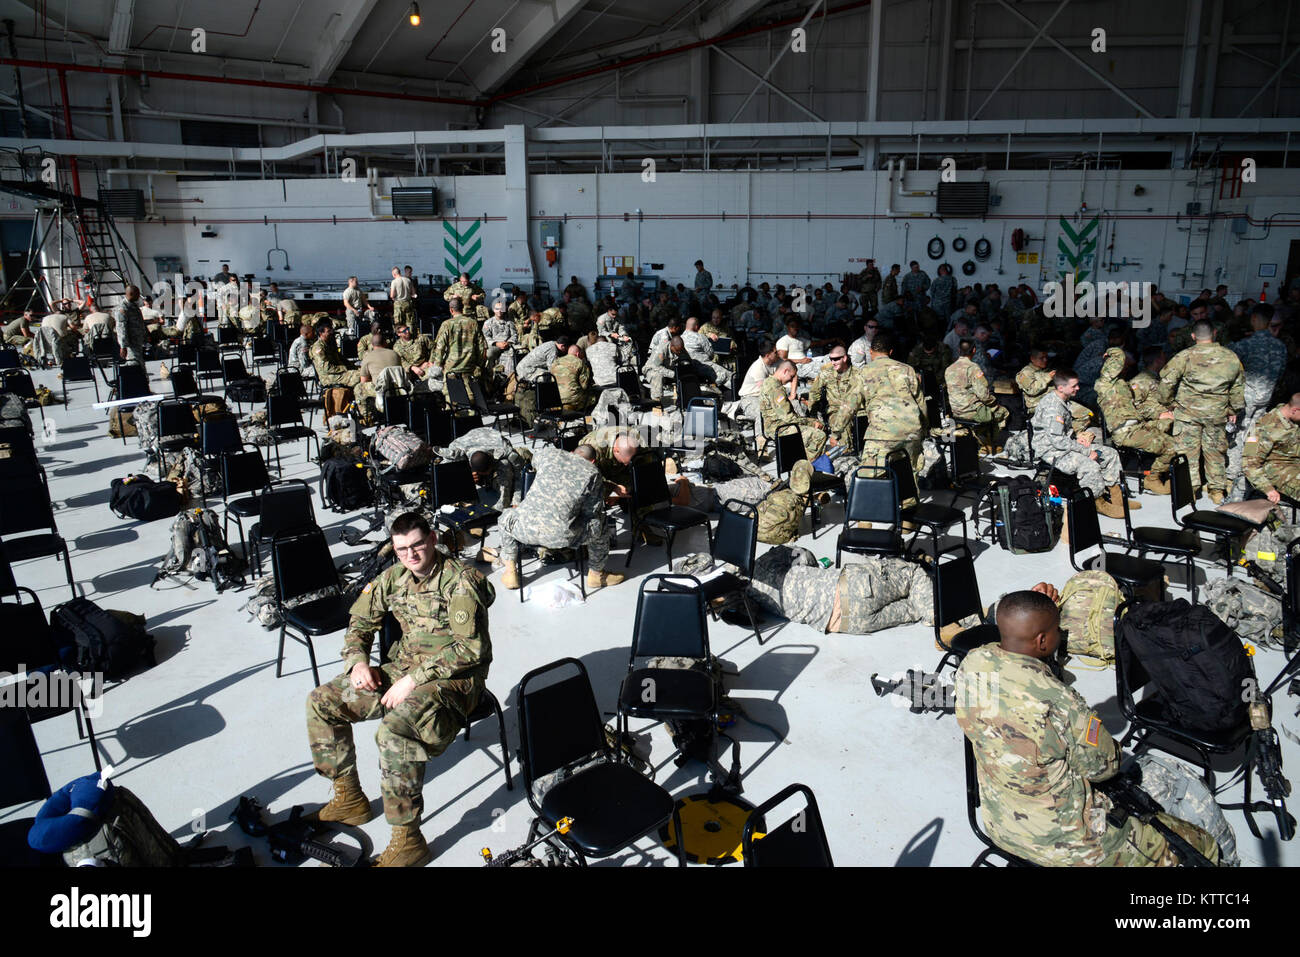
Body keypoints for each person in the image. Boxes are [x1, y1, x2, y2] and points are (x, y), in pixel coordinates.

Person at [955, 589, 1222, 867]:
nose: (1061, 634)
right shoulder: (1058, 701)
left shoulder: (972, 664)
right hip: (1069, 845)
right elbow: (1104, 767)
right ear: (1043, 640)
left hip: (999, 823)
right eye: (1057, 629)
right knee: (1201, 845)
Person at [306, 510, 495, 867]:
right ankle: (348, 798)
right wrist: (358, 661)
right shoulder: (394, 577)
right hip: (404, 669)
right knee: (322, 702)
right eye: (401, 548)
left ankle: (408, 840)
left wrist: (414, 679)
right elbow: (359, 620)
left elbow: (471, 650)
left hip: (456, 680)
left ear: (433, 540)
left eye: (417, 545)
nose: (410, 555)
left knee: (395, 732)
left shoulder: (461, 581)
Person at [499, 444, 625, 591]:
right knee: (600, 524)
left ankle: (510, 573)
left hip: (525, 529)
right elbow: (590, 512)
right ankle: (596, 575)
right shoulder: (593, 472)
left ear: (572, 452)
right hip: (560, 537)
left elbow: (533, 462)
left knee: (504, 518)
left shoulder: (549, 454)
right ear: (592, 461)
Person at [1157, 320, 1245, 503]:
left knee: (1187, 453)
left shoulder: (1184, 356)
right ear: (1214, 333)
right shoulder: (1231, 357)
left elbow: (1166, 383)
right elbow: (1237, 388)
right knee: (1215, 452)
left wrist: (1168, 403)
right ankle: (1217, 491)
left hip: (1187, 414)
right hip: (1216, 414)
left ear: (1193, 336)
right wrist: (1232, 408)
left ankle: (1191, 491)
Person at [1031, 369, 1129, 517]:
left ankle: (1117, 498)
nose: (1078, 388)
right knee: (1089, 465)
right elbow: (1057, 440)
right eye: (1074, 386)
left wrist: (1077, 438)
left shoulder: (1062, 400)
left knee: (1110, 454)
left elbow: (1062, 434)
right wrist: (1086, 451)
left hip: (1064, 443)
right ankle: (1097, 502)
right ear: (1061, 388)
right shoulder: (1054, 408)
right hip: (1051, 450)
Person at [841, 330, 927, 474]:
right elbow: (921, 404)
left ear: (870, 351)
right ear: (891, 351)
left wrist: (837, 432)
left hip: (882, 434)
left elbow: (849, 406)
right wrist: (923, 430)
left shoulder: (864, 372)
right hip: (911, 431)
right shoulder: (908, 370)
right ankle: (907, 497)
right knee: (907, 478)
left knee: (869, 476)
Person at [1094, 347, 1174, 494]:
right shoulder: (1105, 383)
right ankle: (1153, 478)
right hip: (1126, 432)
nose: (1125, 368)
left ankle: (1164, 474)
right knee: (1172, 447)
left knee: (1175, 437)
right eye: (1123, 365)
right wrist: (1114, 352)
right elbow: (1117, 360)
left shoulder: (1119, 384)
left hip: (1137, 427)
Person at [945, 338, 1008, 452]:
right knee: (1002, 411)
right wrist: (994, 402)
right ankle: (988, 444)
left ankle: (981, 438)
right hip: (971, 412)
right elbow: (984, 395)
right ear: (974, 350)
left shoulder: (949, 369)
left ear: (959, 350)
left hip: (955, 411)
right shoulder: (973, 368)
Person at [759, 359, 828, 460]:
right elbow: (789, 418)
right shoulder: (776, 389)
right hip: (780, 428)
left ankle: (808, 460)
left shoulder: (769, 381)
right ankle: (805, 466)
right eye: (791, 377)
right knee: (819, 435)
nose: (791, 381)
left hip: (777, 424)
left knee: (818, 426)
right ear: (785, 371)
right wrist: (812, 422)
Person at [1242, 395, 1300, 504]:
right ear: (1294, 410)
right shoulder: (1261, 428)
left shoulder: (1294, 419)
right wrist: (1268, 489)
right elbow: (1248, 463)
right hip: (1278, 471)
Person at [430, 298, 486, 395]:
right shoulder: (473, 323)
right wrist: (478, 364)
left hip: (451, 367)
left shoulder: (446, 324)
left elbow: (440, 347)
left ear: (451, 310)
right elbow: (481, 347)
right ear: (463, 308)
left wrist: (438, 365)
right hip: (469, 366)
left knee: (451, 397)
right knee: (470, 396)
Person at [807, 346, 859, 445]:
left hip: (856, 410)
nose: (833, 362)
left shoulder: (857, 374)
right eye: (831, 359)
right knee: (841, 428)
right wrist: (813, 416)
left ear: (844, 358)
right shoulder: (826, 373)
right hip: (836, 410)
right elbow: (814, 393)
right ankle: (846, 450)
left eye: (836, 359)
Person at [310, 320, 361, 389]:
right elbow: (326, 368)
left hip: (338, 372)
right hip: (328, 377)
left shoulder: (330, 343)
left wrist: (353, 366)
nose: (331, 332)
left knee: (363, 371)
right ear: (321, 333)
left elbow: (340, 358)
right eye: (328, 331)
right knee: (359, 376)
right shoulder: (318, 348)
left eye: (331, 330)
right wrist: (344, 368)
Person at [481, 298, 519, 378]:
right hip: (495, 345)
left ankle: (510, 377)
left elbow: (514, 335)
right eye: (497, 309)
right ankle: (490, 375)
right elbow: (485, 337)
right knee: (489, 354)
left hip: (508, 345)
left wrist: (508, 343)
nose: (499, 311)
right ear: (494, 309)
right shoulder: (488, 322)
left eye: (501, 309)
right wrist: (496, 343)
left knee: (518, 351)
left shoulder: (509, 322)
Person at [550, 343, 593, 412]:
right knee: (593, 398)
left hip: (555, 399)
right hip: (572, 400)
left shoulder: (556, 362)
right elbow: (584, 385)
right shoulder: (580, 362)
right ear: (578, 354)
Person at [114, 285, 148, 367]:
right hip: (130, 344)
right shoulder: (123, 308)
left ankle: (142, 379)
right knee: (134, 365)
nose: (139, 296)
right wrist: (123, 346)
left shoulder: (133, 306)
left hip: (137, 342)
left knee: (139, 364)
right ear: (131, 294)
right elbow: (121, 328)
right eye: (138, 294)